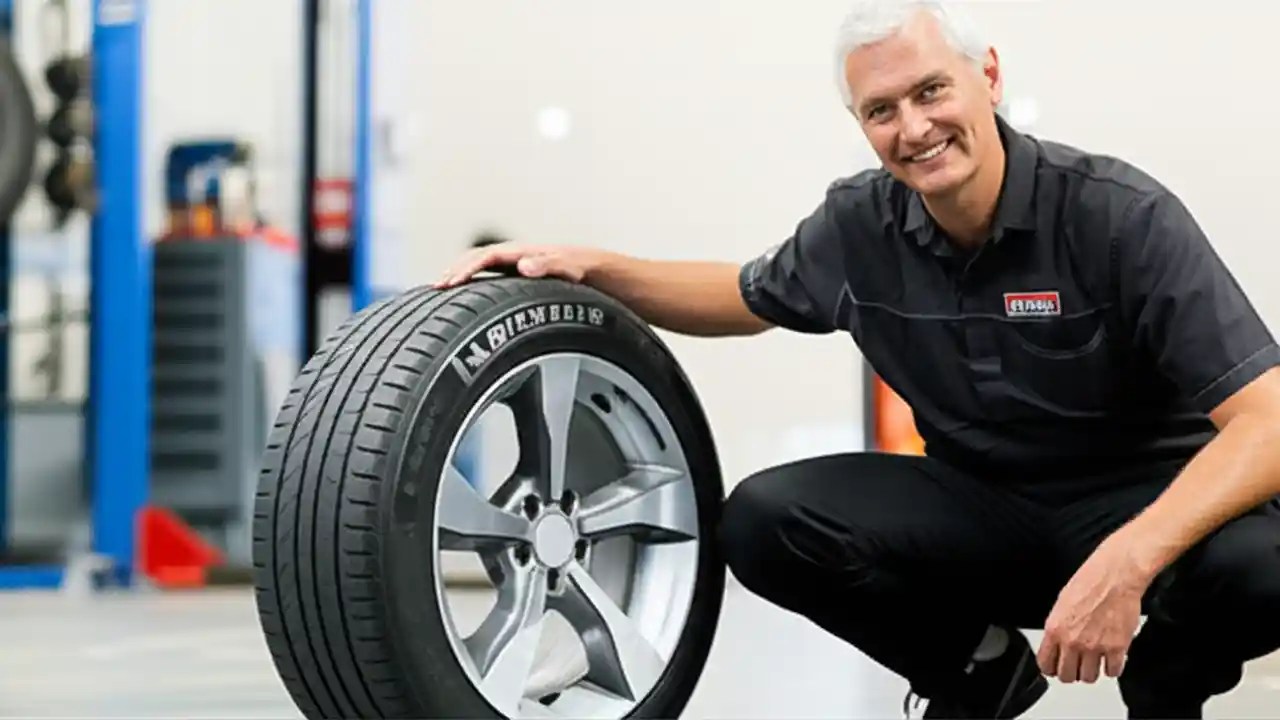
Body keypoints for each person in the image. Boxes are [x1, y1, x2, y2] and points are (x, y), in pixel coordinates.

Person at [435, 0, 1280, 717]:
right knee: (764, 520)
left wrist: (1127, 563)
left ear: (988, 77)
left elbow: (1269, 424)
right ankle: (978, 672)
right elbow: (741, 295)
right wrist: (594, 269)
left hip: (1150, 516)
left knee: (1264, 565)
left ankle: (1167, 688)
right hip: (988, 514)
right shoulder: (859, 228)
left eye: (931, 91)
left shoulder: (1115, 216)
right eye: (882, 110)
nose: (914, 128)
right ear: (860, 123)